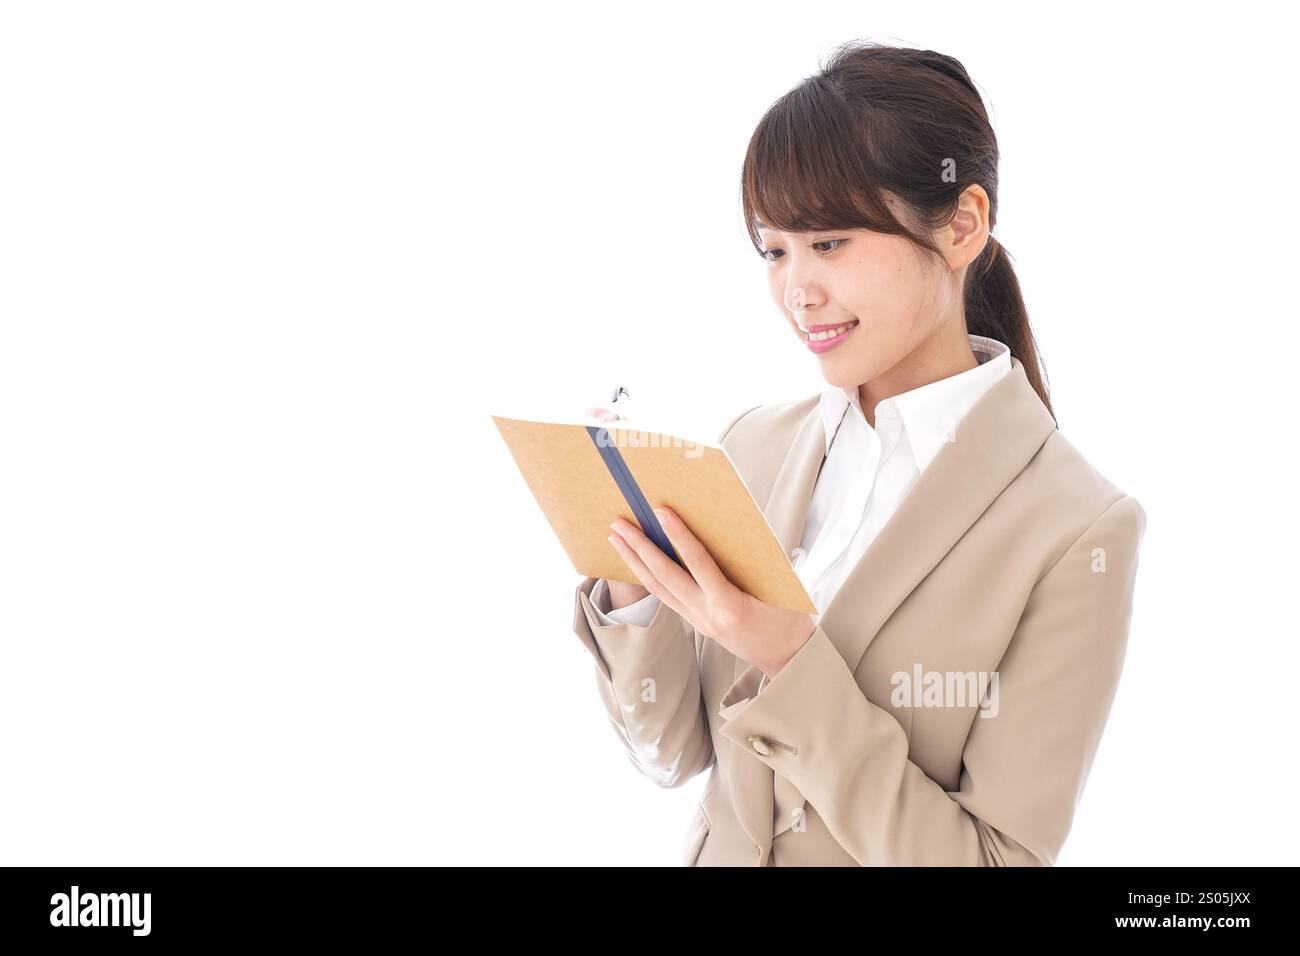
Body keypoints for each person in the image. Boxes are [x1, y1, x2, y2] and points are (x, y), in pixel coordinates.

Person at [570, 41, 1146, 866]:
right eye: (774, 250)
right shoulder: (752, 446)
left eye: (831, 243)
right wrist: (632, 571)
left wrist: (793, 661)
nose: (797, 290)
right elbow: (671, 755)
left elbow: (994, 860)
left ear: (962, 225)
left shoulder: (1078, 529)